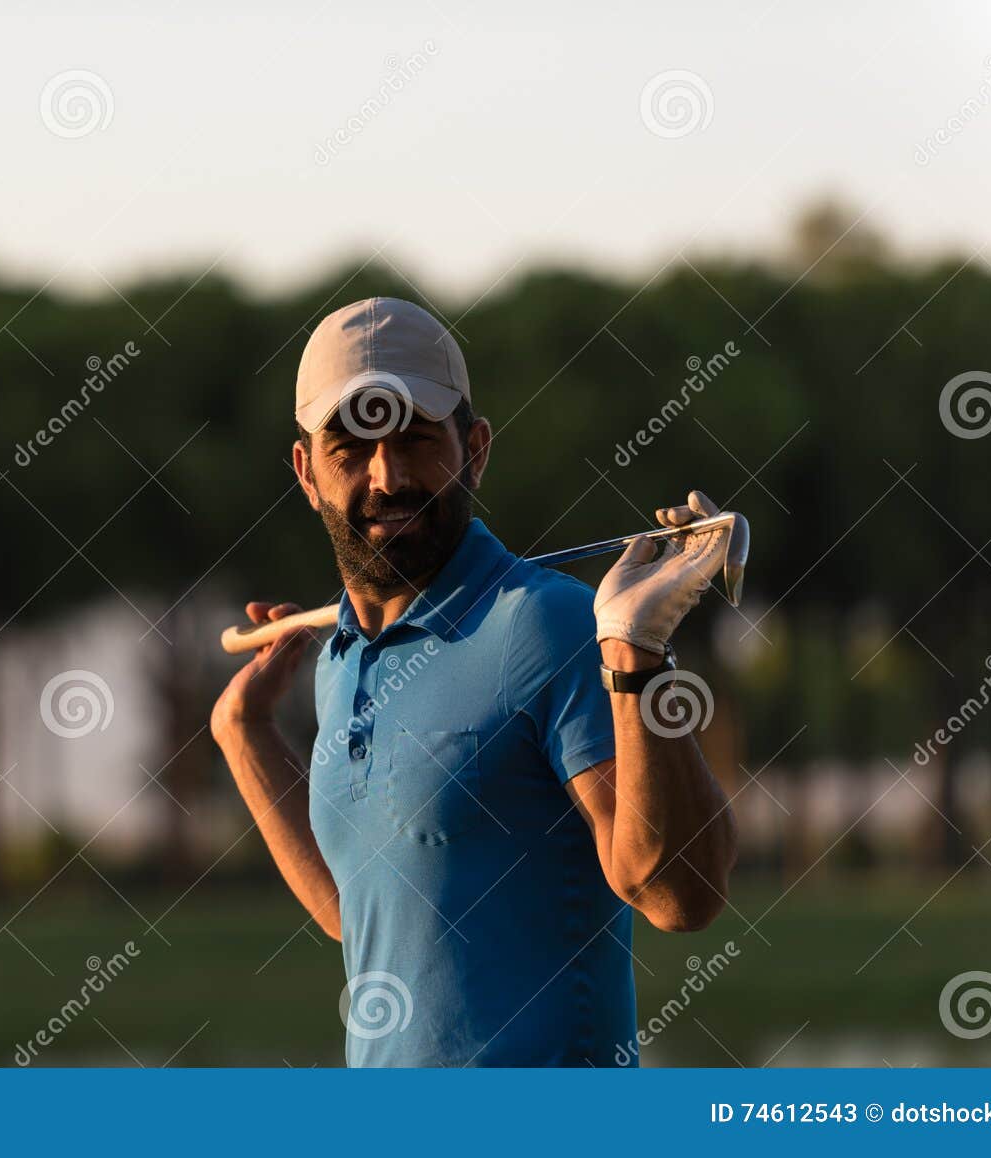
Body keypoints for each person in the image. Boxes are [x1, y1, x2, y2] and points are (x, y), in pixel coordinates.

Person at [210, 297, 737, 1066]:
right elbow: (368, 915)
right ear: (306, 471)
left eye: (417, 439)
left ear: (475, 448)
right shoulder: (338, 660)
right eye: (350, 448)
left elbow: (679, 896)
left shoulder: (547, 623)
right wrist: (246, 734)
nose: (386, 477)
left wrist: (637, 656)